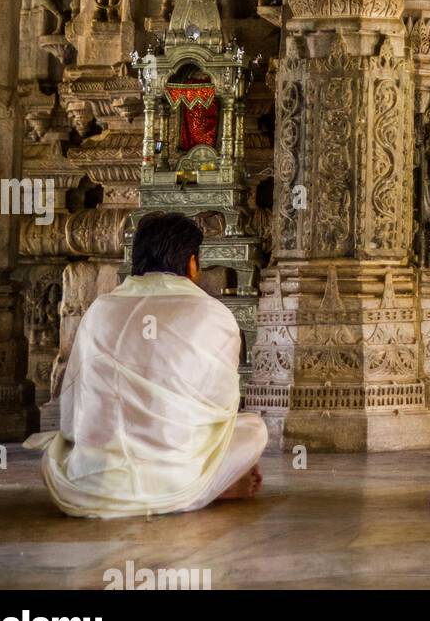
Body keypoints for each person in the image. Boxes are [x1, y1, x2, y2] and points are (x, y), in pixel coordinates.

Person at [26, 213, 267, 519]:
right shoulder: (212, 314)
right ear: (192, 264)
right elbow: (220, 410)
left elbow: (72, 410)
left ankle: (198, 481)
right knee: (253, 429)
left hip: (86, 486)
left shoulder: (100, 309)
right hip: (172, 480)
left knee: (56, 451)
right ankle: (210, 484)